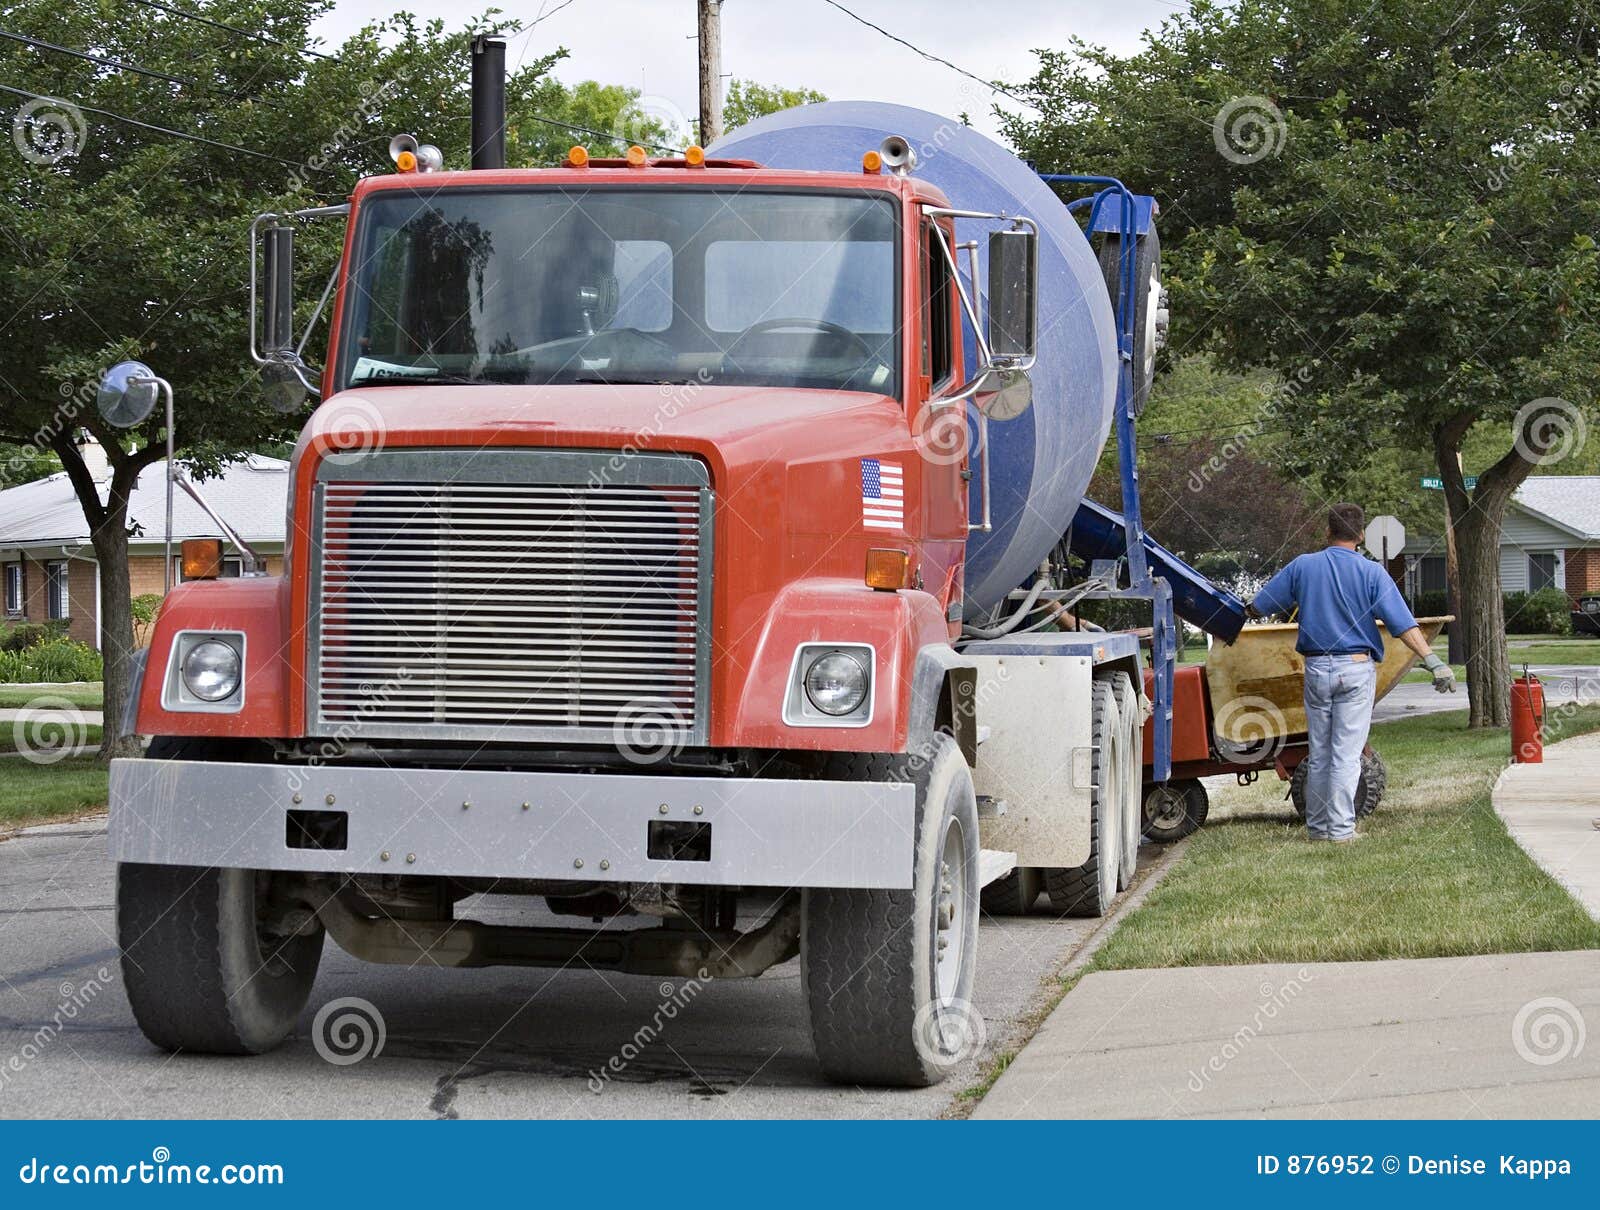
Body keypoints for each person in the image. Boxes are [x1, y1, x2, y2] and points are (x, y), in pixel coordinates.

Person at [1249, 504, 1456, 842]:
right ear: (1360, 536)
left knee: (1320, 753)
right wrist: (1433, 660)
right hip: (1356, 669)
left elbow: (1260, 605)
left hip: (1317, 669)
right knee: (1346, 754)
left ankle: (1317, 829)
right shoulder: (1372, 573)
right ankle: (1341, 830)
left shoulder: (1304, 566)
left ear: (1327, 532)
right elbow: (1402, 624)